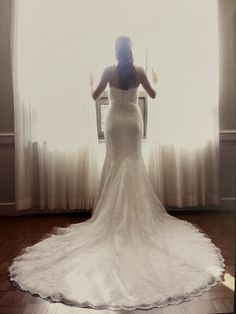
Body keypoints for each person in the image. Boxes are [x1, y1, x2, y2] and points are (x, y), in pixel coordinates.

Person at [8, 36, 225, 311]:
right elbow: (154, 95)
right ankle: (134, 216)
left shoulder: (108, 72)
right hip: (133, 120)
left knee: (115, 164)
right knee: (132, 163)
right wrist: (155, 79)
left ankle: (113, 216)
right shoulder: (140, 72)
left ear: (115, 51)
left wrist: (89, 84)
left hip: (114, 121)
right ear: (131, 51)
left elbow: (95, 95)